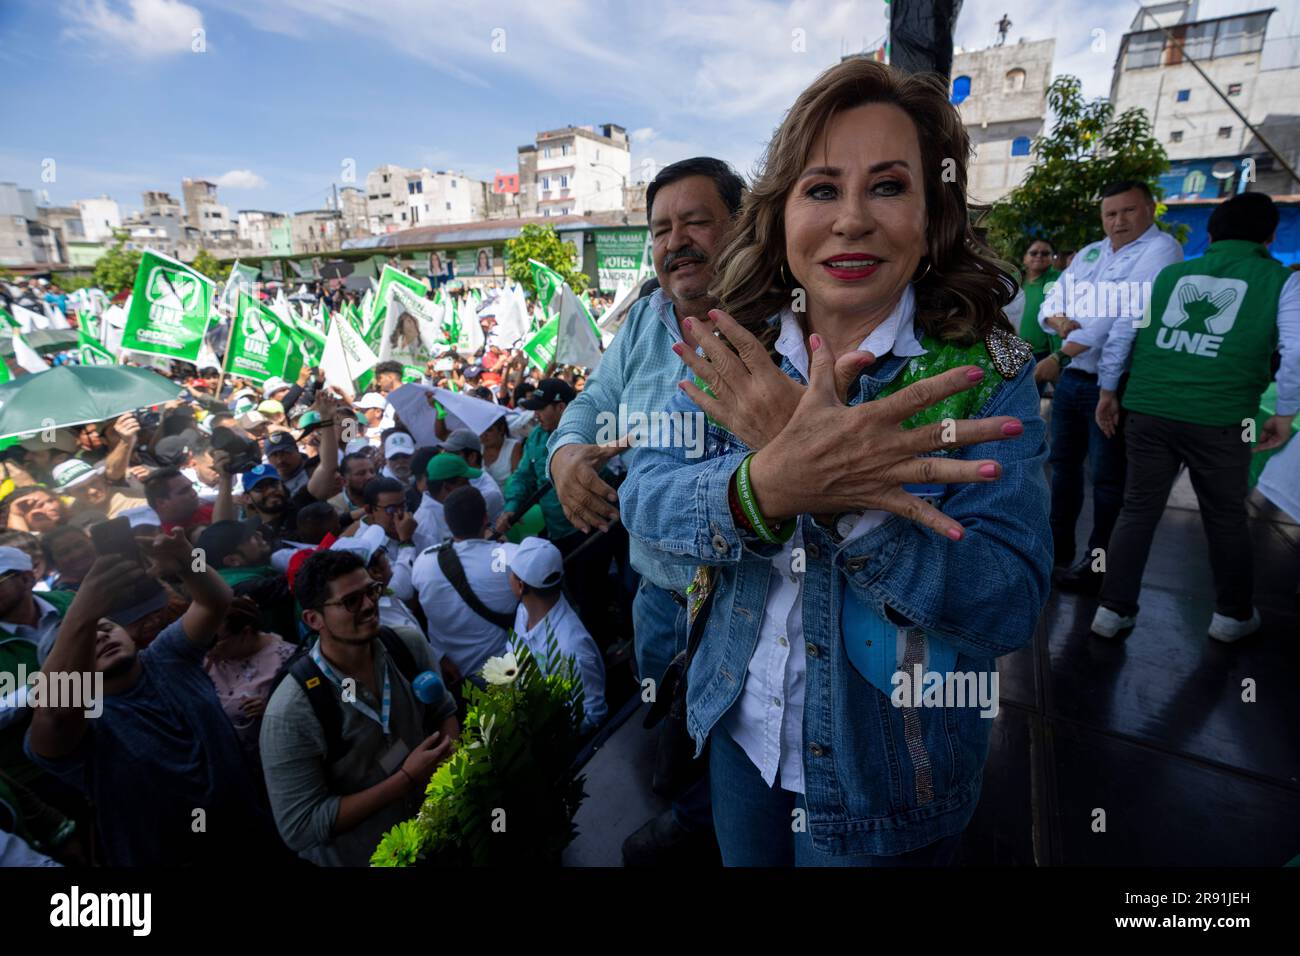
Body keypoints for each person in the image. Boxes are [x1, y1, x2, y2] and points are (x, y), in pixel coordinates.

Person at [620, 57, 1051, 866]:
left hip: (894, 777)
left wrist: (850, 497)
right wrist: (764, 487)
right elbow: (644, 503)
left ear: (933, 216)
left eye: (888, 186)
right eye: (822, 189)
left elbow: (1009, 601)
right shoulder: (726, 346)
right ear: (781, 215)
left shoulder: (991, 370)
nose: (851, 219)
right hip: (739, 737)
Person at [545, 157, 745, 860]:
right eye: (661, 229)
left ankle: (699, 820)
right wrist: (566, 454)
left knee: (738, 738)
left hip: (737, 597)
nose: (675, 242)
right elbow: (593, 404)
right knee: (665, 715)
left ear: (743, 227)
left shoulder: (779, 320)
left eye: (696, 222)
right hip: (652, 585)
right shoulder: (641, 322)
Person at [1091, 191, 1300, 642]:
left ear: (1210, 234)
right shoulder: (1281, 280)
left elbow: (1124, 332)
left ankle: (1111, 610)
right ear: (1268, 235)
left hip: (1147, 409)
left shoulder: (1170, 276)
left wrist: (1109, 389)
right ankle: (1231, 616)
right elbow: (1297, 348)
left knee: (1137, 510)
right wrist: (1285, 412)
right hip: (1222, 418)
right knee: (1225, 516)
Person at [25, 530, 281, 865]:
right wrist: (81, 614)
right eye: (87, 639)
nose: (99, 637)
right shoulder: (77, 725)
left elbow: (215, 600)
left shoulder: (166, 656)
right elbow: (55, 712)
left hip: (257, 840)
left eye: (105, 628)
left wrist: (187, 558)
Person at [259, 550, 458, 867]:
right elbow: (300, 826)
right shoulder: (291, 711)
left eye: (372, 590)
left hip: (442, 837)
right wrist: (406, 779)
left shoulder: (405, 645)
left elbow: (442, 709)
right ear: (314, 619)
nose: (369, 605)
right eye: (351, 601)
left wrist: (452, 767)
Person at [1035, 180, 1183, 594]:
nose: (1118, 221)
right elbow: (1053, 297)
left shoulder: (1160, 251)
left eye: (1128, 211)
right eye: (1110, 213)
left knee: (1107, 481)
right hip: (1074, 379)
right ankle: (1056, 551)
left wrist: (1060, 353)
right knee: (1062, 468)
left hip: (1114, 386)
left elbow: (1120, 316)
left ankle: (1098, 566)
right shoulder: (1091, 252)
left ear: (1150, 210)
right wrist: (1059, 320)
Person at [499, 378, 615, 639]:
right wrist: (511, 507)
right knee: (571, 588)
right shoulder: (537, 437)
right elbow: (523, 477)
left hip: (591, 529)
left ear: (561, 407)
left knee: (591, 595)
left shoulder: (591, 434)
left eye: (541, 408)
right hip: (557, 532)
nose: (535, 415)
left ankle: (600, 646)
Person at [412, 486, 517, 685]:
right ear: (486, 518)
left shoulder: (423, 562)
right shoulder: (510, 557)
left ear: (446, 521)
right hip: (506, 675)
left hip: (455, 680)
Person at [508, 537, 606, 732]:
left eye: (511, 573)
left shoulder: (572, 647)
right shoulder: (523, 612)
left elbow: (594, 714)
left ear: (520, 586)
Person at [204, 595, 296, 758]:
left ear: (245, 633)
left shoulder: (287, 660)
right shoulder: (209, 661)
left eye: (214, 641)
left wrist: (272, 709)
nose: (207, 648)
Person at [412, 454, 477, 551]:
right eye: (464, 483)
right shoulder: (426, 525)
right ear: (447, 487)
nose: (470, 486)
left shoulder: (455, 506)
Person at [441, 429, 506, 522]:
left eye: (453, 454)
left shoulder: (488, 493)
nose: (447, 459)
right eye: (445, 452)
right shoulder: (454, 478)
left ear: (472, 457)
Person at [1016, 238, 1061, 366]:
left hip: (1044, 354)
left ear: (1053, 258)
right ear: (1025, 257)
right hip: (1016, 349)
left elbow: (1051, 295)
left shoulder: (1053, 279)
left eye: (1045, 253)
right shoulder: (1018, 281)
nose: (1039, 256)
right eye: (1034, 253)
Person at [195, 519, 276, 587]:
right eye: (249, 537)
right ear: (232, 561)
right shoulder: (253, 589)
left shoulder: (221, 587)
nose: (259, 534)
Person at [143, 468, 212, 533]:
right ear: (162, 503)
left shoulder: (200, 508)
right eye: (184, 491)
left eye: (191, 487)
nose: (194, 493)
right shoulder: (176, 537)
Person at [39, 527, 95, 591]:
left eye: (80, 544)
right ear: (53, 562)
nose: (77, 554)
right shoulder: (64, 594)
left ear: (91, 541)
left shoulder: (105, 567)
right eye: (64, 552)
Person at [4, 488, 69, 535]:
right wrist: (16, 515)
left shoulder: (74, 521)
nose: (52, 507)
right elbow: (23, 549)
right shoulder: (33, 540)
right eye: (40, 505)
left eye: (51, 501)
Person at [481, 417, 523, 487]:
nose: (483, 435)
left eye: (489, 430)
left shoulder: (514, 447)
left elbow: (517, 481)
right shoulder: (477, 447)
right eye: (481, 430)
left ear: (501, 429)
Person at [265, 431, 309, 496]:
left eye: (285, 453)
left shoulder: (314, 472)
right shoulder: (268, 483)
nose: (280, 460)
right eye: (274, 455)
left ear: (296, 450)